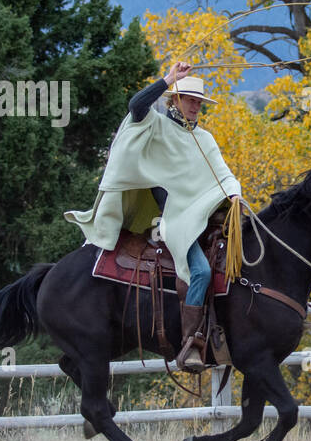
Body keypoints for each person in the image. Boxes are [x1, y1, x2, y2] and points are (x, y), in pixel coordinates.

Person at [64, 61, 241, 372]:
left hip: (205, 215)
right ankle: (192, 342)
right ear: (174, 100)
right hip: (174, 221)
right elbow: (136, 105)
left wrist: (235, 194)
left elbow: (224, 174)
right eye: (189, 100)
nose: (195, 106)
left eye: (198, 102)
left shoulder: (205, 140)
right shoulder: (156, 125)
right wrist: (168, 78)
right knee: (200, 271)